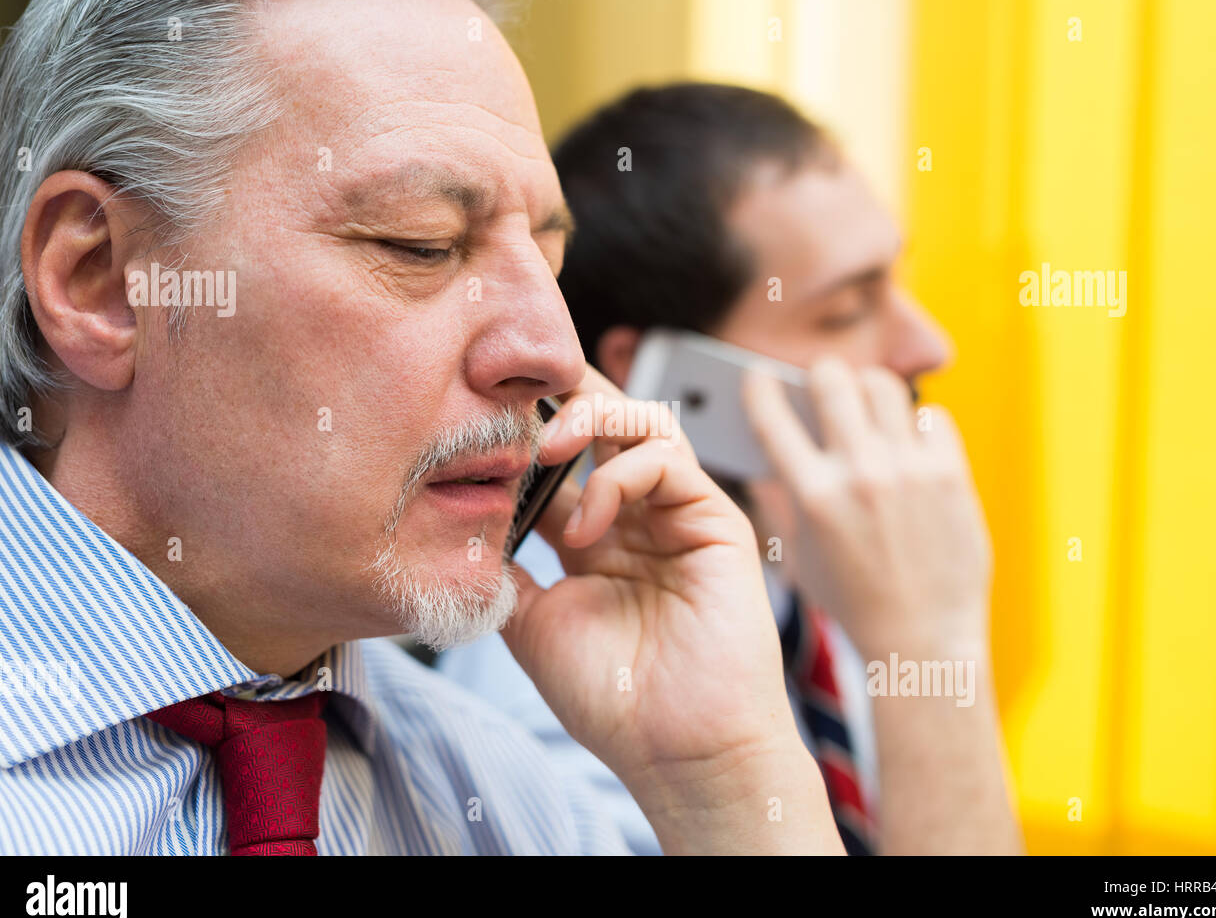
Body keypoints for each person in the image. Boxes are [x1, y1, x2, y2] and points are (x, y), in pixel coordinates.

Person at [0, 0, 848, 855]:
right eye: (420, 244)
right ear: (100, 280)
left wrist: (728, 780)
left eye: (548, 262)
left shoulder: (510, 802)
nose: (552, 350)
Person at [437, 83, 1022, 855]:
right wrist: (929, 643)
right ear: (663, 376)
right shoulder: (563, 708)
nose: (929, 347)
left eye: (896, 283)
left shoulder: (816, 578)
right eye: (847, 310)